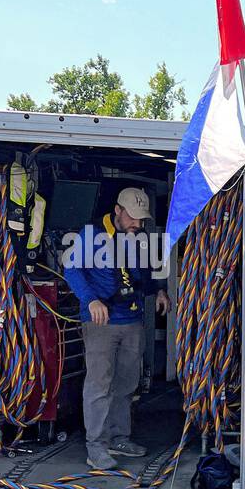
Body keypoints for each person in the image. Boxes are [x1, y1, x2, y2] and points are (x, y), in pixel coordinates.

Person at [63, 187, 170, 469]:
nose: (137, 223)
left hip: (132, 321)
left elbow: (146, 272)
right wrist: (91, 300)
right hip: (101, 323)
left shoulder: (140, 238)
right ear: (118, 211)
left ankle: (119, 438)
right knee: (99, 384)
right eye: (132, 218)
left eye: (141, 219)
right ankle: (95, 446)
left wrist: (159, 291)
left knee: (126, 384)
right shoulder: (93, 235)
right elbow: (71, 269)